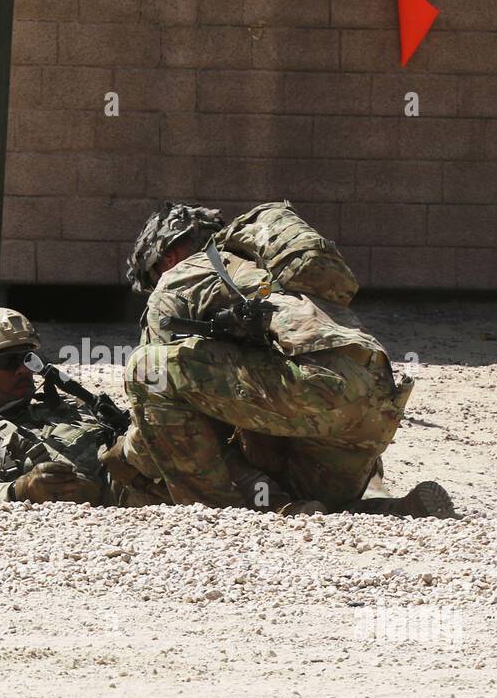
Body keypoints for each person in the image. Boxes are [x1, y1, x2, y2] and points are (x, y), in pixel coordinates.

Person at [114, 200, 456, 518]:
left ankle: (226, 516)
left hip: (311, 395)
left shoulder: (181, 277)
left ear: (167, 256)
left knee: (148, 369)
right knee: (288, 469)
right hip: (373, 407)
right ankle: (390, 508)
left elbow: (156, 394)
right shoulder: (268, 267)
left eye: (153, 275)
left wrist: (123, 457)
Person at [0, 307, 169, 506]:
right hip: (131, 492)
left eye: (28, 358)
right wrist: (23, 489)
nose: (24, 369)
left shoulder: (67, 406)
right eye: (9, 361)